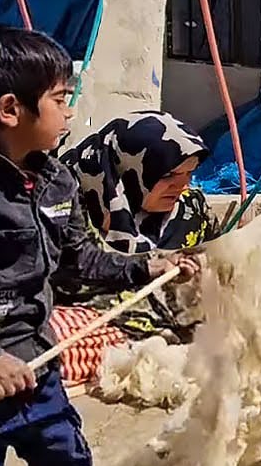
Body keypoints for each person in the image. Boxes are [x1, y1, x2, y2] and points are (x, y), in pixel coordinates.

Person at [0, 25, 200, 466]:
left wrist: (149, 266)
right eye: (61, 99)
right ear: (10, 110)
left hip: (40, 369)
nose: (69, 111)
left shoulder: (55, 180)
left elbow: (82, 258)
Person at [57, 111, 215, 340]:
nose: (181, 186)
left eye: (189, 173)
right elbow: (71, 277)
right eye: (169, 175)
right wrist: (149, 267)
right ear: (128, 168)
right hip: (100, 330)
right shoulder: (68, 203)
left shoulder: (190, 212)